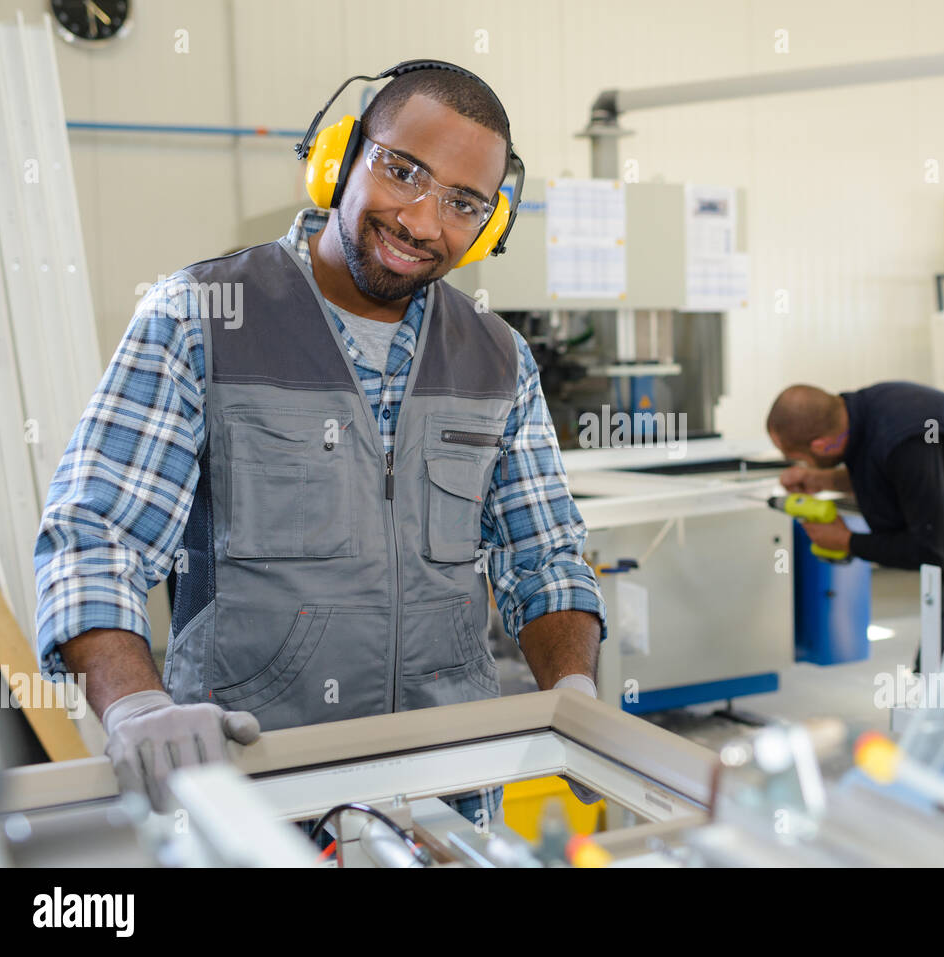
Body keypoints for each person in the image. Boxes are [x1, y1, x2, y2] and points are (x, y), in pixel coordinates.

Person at [33, 61, 606, 824]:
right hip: (258, 797)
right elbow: (95, 535)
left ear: (490, 223)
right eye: (403, 170)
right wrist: (134, 704)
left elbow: (545, 555)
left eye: (464, 203)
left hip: (447, 800)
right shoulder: (203, 317)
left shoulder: (498, 357)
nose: (423, 221)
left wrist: (572, 686)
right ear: (338, 157)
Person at [766, 381, 944, 660]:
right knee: (938, 660)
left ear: (821, 445)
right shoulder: (863, 413)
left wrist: (847, 541)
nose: (802, 464)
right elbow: (891, 474)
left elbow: (933, 549)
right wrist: (822, 479)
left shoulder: (910, 440)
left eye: (799, 458)